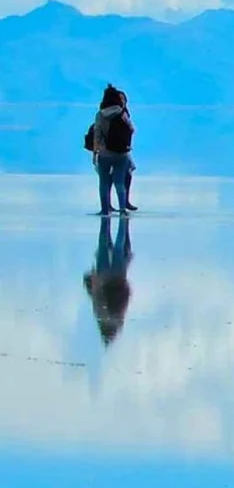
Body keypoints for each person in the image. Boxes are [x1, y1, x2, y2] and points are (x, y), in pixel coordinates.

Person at [82, 214, 133, 345]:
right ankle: (112, 221)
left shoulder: (117, 317)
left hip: (117, 278)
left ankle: (122, 221)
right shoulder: (103, 315)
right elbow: (97, 294)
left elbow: (125, 295)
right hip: (105, 278)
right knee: (104, 245)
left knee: (118, 246)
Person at [91, 85, 134, 216]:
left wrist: (95, 152)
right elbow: (131, 129)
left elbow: (97, 134)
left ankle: (105, 210)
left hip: (105, 153)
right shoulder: (122, 113)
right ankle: (122, 209)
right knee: (120, 182)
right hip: (122, 153)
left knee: (104, 183)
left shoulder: (100, 115)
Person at [118, 90, 138, 211]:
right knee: (124, 175)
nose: (122, 101)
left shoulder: (124, 113)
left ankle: (125, 201)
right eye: (120, 99)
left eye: (123, 99)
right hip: (118, 150)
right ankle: (123, 202)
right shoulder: (118, 114)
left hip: (124, 149)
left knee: (128, 174)